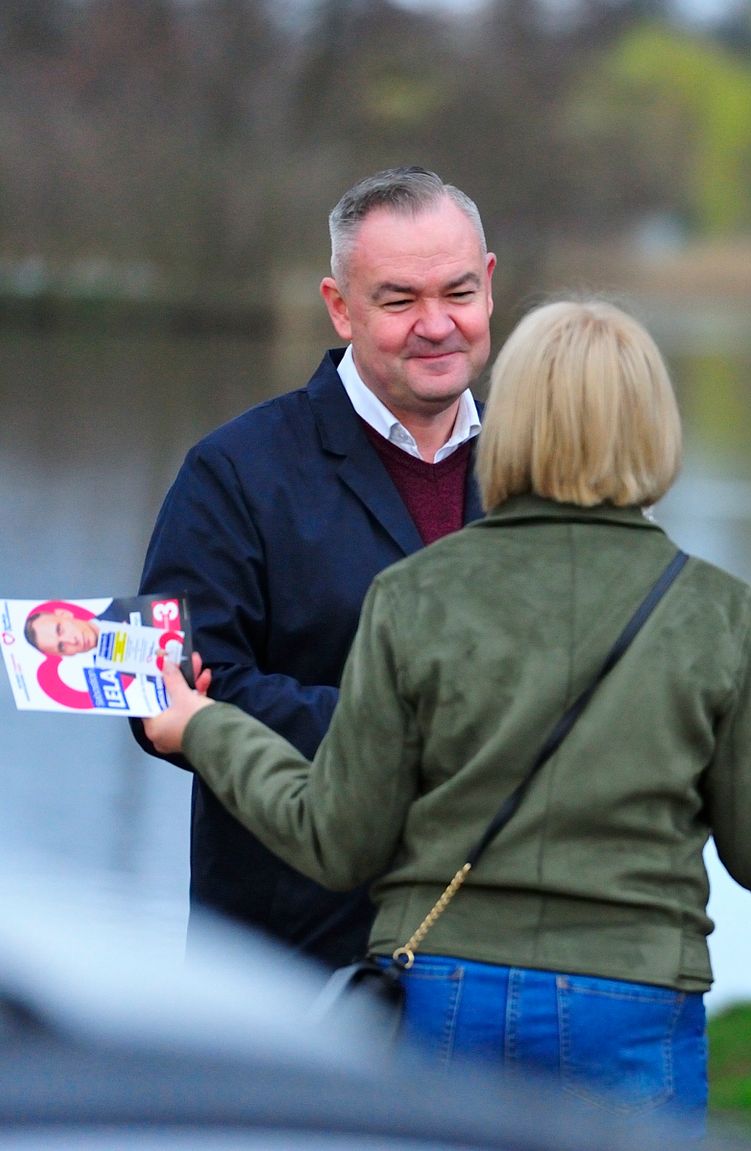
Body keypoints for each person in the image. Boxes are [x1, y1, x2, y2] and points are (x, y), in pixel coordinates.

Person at [142, 298, 751, 1132]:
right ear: (654, 424)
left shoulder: (413, 595)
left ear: (511, 424)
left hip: (445, 988)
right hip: (633, 1000)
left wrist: (206, 728)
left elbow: (336, 835)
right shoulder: (713, 609)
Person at [133, 167, 495, 969]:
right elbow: (169, 693)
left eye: (458, 293)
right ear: (339, 306)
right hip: (290, 968)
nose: (436, 325)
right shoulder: (235, 471)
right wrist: (414, 735)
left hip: (501, 966)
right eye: (399, 301)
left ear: (491, 285)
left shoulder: (546, 469)